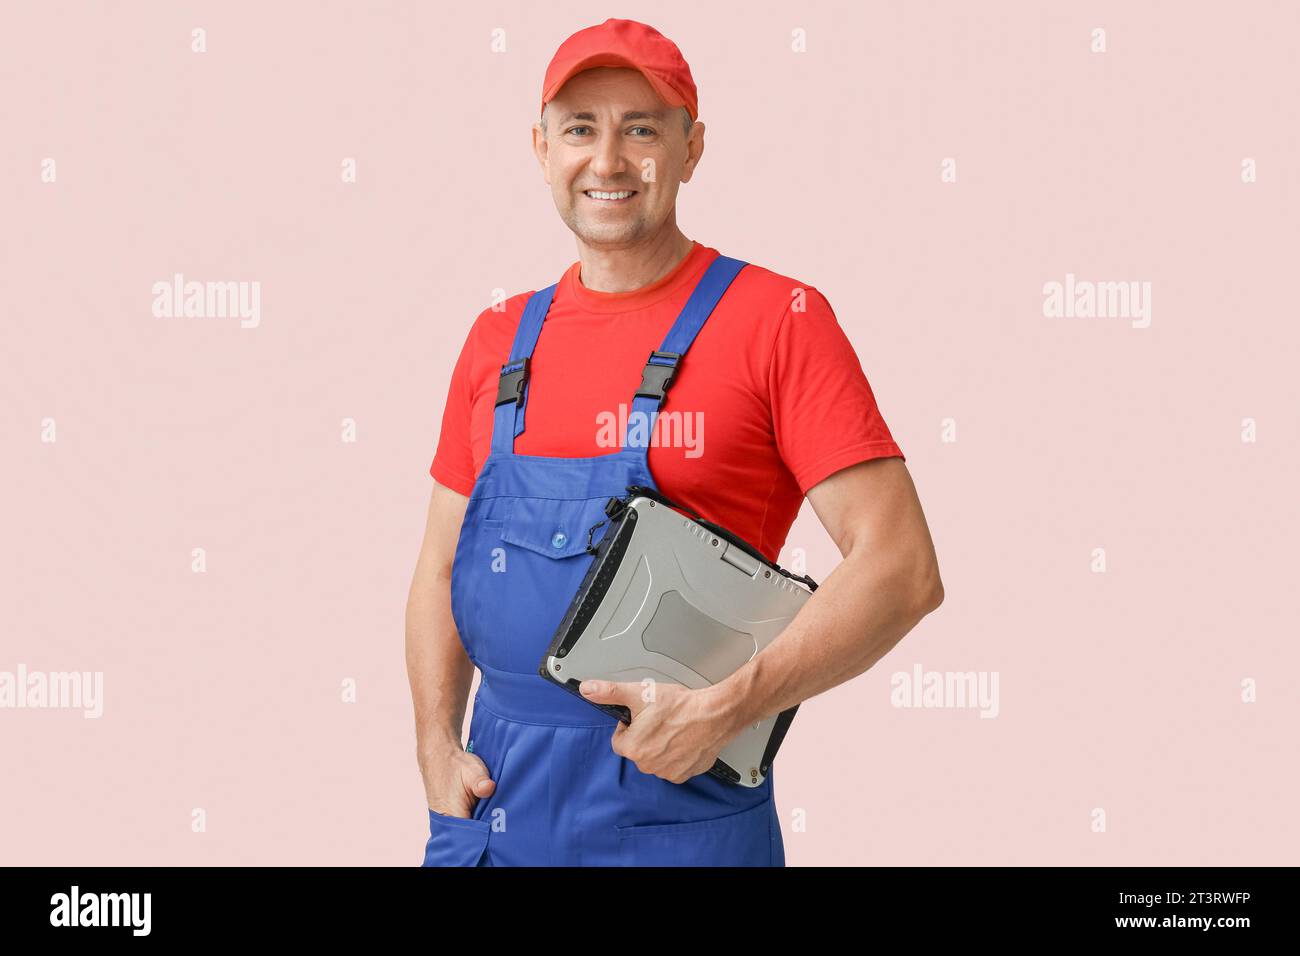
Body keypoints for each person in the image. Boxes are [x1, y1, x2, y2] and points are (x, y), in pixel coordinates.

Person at [406, 17, 944, 867]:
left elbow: (903, 568)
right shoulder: (497, 340)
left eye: (643, 129)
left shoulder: (778, 322)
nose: (609, 161)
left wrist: (728, 709)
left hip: (676, 817)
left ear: (692, 150)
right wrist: (434, 746)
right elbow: (439, 565)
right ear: (542, 148)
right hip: (492, 812)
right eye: (581, 128)